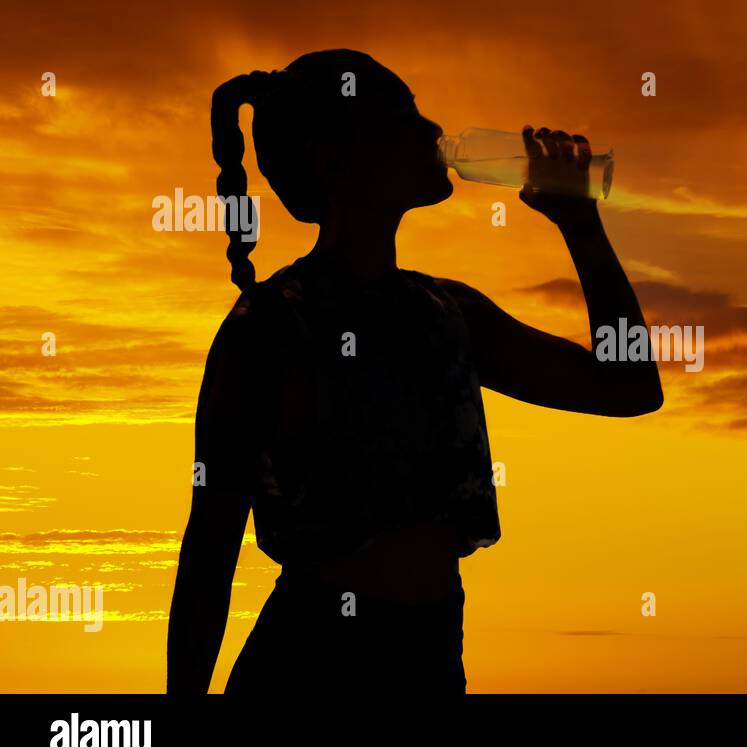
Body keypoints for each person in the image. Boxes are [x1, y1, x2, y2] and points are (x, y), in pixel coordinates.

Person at [166, 49, 662, 695]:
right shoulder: (270, 328)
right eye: (402, 118)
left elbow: (628, 387)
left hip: (430, 659)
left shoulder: (447, 312)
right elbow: (210, 549)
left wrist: (580, 224)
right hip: (311, 664)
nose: (432, 132)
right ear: (335, 158)